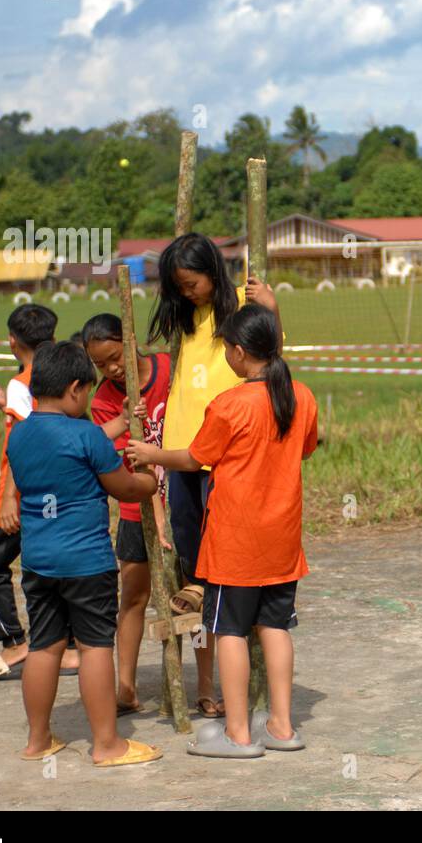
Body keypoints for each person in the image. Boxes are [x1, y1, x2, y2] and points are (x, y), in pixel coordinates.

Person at [128, 304, 317, 758]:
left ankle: (238, 733)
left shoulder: (230, 404)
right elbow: (306, 449)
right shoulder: (301, 396)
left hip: (235, 537)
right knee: (275, 625)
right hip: (283, 536)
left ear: (237, 352)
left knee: (229, 628)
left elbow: (195, 458)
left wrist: (151, 454)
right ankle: (282, 725)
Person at [6, 341, 162, 765]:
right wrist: (149, 484)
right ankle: (107, 745)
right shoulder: (86, 436)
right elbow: (124, 486)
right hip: (87, 563)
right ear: (76, 389)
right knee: (95, 647)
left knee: (45, 646)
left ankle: (38, 741)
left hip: (38, 562)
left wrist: (118, 424)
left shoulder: (19, 434)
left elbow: (76, 443)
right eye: (88, 392)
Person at [147, 233, 282, 718]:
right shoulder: (182, 319)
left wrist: (273, 310)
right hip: (182, 447)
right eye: (178, 286)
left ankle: (210, 591)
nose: (188, 292)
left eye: (193, 282)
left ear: (214, 272)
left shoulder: (236, 313)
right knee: (188, 539)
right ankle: (199, 593)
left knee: (219, 543)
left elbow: (272, 359)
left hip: (224, 448)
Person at [0, 303, 82, 682]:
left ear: (12, 341)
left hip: (20, 494)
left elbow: (26, 437)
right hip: (59, 489)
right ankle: (68, 647)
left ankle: (13, 641)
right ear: (52, 337)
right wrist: (7, 405)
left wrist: (7, 500)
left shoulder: (24, 383)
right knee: (52, 567)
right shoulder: (60, 375)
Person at [82, 312, 172, 714]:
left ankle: (204, 684)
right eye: (101, 365)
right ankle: (125, 687)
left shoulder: (170, 368)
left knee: (192, 595)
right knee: (134, 596)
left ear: (130, 340)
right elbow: (121, 467)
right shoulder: (104, 401)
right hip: (138, 512)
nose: (113, 369)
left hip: (184, 504)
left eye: (116, 357)